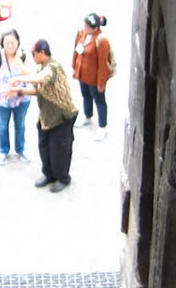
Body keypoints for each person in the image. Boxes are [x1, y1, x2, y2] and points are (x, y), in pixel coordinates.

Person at [7, 38, 77, 192]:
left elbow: (40, 79)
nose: (33, 56)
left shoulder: (52, 67)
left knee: (60, 150)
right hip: (46, 116)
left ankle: (63, 178)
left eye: (34, 54)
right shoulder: (41, 67)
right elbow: (39, 90)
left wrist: (18, 78)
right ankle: (49, 175)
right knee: (45, 148)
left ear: (42, 53)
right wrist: (19, 91)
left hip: (61, 116)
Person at [0, 28, 32, 165]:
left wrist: (19, 62)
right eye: (7, 43)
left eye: (13, 42)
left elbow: (30, 76)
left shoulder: (23, 56)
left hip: (21, 98)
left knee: (20, 125)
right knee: (2, 126)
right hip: (2, 100)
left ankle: (21, 149)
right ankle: (3, 151)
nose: (10, 46)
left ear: (18, 42)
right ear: (2, 44)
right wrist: (1, 87)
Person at [72, 13, 113, 142]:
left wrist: (101, 82)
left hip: (94, 78)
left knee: (99, 101)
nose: (84, 28)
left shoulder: (101, 41)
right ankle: (87, 115)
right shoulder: (81, 34)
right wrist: (74, 67)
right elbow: (76, 51)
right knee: (86, 96)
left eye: (87, 26)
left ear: (95, 28)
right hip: (82, 75)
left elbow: (102, 64)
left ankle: (102, 126)